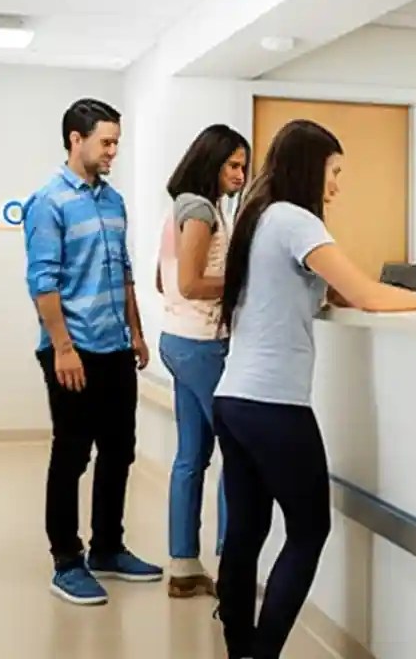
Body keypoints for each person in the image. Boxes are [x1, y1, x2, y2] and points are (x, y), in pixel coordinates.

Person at [212, 119, 416, 658]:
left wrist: (387, 294)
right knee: (308, 531)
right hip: (274, 403)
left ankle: (240, 650)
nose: (337, 184)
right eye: (334, 172)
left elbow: (337, 293)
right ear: (310, 168)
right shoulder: (296, 220)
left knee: (246, 534)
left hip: (234, 397)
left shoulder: (259, 217)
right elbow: (365, 294)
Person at [22, 97, 161, 606]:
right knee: (72, 454)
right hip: (72, 350)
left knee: (120, 450)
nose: (112, 151)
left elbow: (123, 272)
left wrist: (137, 333)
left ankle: (108, 547)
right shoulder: (49, 202)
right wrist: (62, 347)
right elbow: (43, 283)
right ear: (75, 140)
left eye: (117, 143)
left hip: (115, 348)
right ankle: (66, 560)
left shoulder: (113, 201)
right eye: (106, 142)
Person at [154, 124, 249, 598]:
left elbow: (163, 282)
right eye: (233, 164)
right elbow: (192, 283)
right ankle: (233, 569)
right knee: (238, 453)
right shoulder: (201, 210)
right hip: (203, 345)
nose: (240, 174)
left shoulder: (180, 209)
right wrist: (246, 284)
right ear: (211, 161)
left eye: (243, 166)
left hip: (178, 341)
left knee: (191, 455)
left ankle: (184, 567)